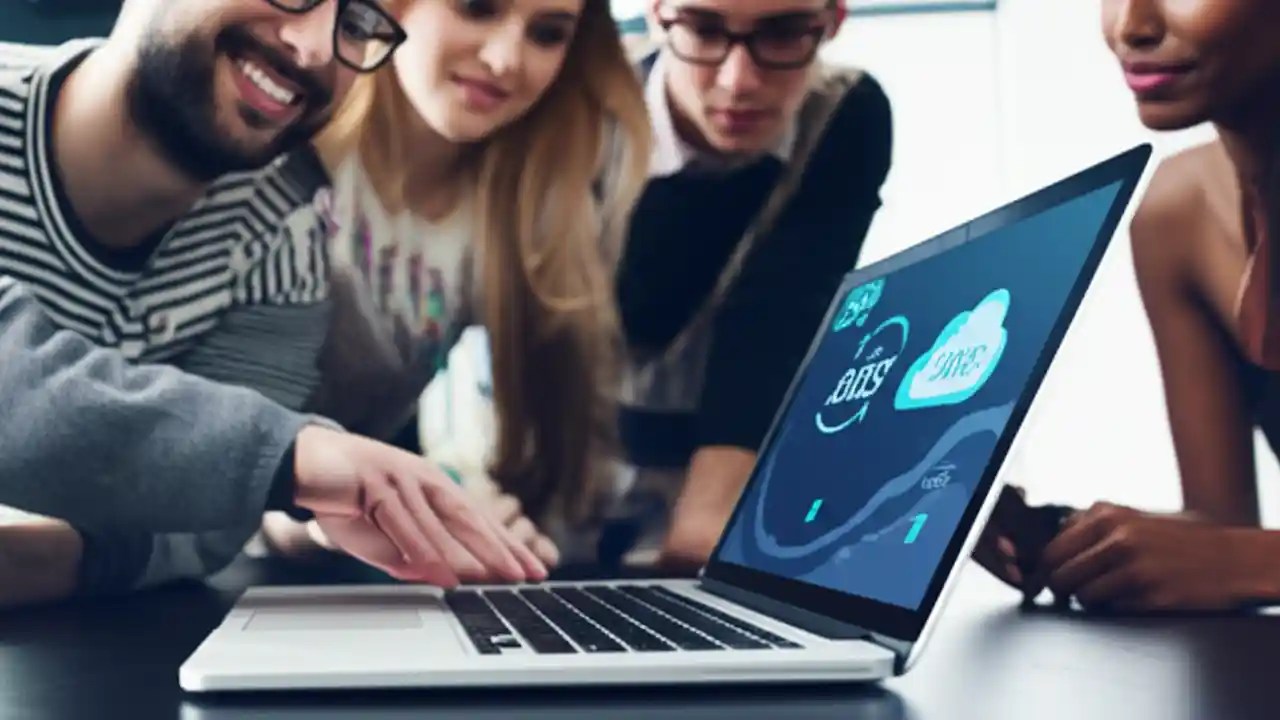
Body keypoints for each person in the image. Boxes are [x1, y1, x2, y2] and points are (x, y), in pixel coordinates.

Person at [0, 0, 545, 607]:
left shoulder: (284, 229)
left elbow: (206, 530)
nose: (314, 48)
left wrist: (42, 558)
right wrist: (291, 454)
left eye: (355, 24)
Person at [256, 0, 652, 567]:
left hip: (334, 562)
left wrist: (462, 514)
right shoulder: (282, 149)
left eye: (547, 34)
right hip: (185, 556)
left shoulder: (522, 208)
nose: (505, 60)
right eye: (478, 8)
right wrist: (333, 515)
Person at [976, 0, 1280, 612]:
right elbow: (1224, 528)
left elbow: (1239, 557)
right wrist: (1062, 536)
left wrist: (1238, 560)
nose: (1131, 27)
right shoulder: (1177, 212)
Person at [602, 0, 893, 573]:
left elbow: (775, 322)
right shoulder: (587, 114)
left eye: (782, 34)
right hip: (552, 480)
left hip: (719, 470)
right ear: (659, 14)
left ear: (832, 22)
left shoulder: (843, 111)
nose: (738, 81)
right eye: (704, 30)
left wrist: (707, 528)